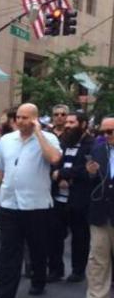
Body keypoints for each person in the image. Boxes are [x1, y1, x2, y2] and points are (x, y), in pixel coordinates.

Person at [0, 103, 62, 298]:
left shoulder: (49, 138)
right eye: (18, 117)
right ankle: (4, 292)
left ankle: (39, 279)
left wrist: (39, 133)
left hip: (37, 205)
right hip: (10, 202)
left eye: (26, 117)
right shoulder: (7, 140)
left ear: (35, 119)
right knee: (9, 249)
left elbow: (54, 158)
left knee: (38, 247)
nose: (21, 121)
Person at [47, 111, 93, 283]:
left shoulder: (92, 145)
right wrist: (58, 176)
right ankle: (55, 269)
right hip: (58, 198)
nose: (67, 125)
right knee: (54, 235)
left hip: (79, 200)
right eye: (66, 122)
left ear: (83, 125)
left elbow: (88, 169)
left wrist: (64, 174)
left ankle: (77, 270)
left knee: (80, 237)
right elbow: (53, 162)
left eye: (72, 123)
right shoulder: (62, 143)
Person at [77, 115, 114, 298]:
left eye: (110, 132)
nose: (106, 136)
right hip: (100, 211)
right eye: (103, 132)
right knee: (98, 257)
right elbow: (91, 180)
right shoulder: (98, 149)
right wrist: (90, 172)